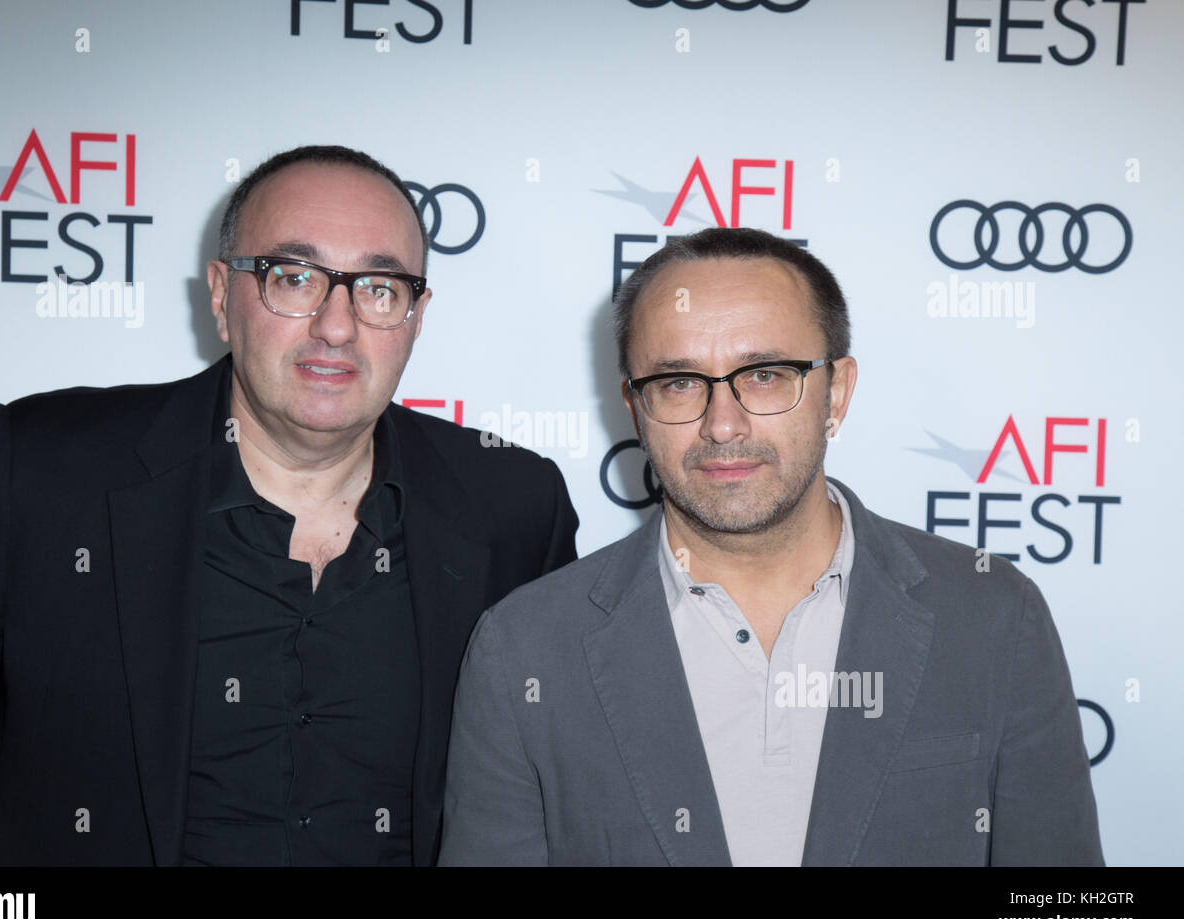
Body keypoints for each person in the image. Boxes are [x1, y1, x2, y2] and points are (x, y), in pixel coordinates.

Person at [0, 145, 578, 866]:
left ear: (416, 313)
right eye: (294, 277)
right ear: (221, 295)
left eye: (378, 286)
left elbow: (558, 770)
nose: (336, 326)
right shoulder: (47, 474)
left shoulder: (513, 506)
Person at [439, 227, 1102, 866]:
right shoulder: (524, 648)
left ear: (836, 393)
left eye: (765, 375)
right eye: (678, 383)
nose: (723, 424)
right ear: (635, 408)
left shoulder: (991, 615)